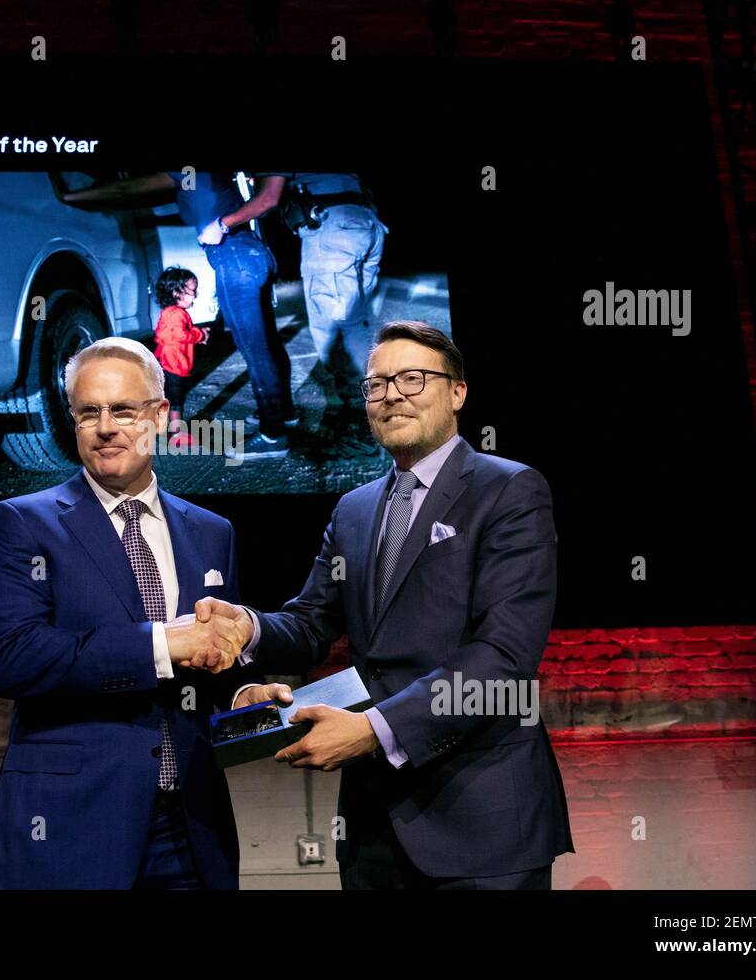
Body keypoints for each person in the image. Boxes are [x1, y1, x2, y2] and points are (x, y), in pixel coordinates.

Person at [198, 321, 575, 889]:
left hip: (485, 824)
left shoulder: (510, 490)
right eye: (377, 384)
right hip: (372, 825)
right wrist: (247, 628)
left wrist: (373, 729)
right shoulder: (354, 508)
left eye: (413, 378)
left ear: (458, 392)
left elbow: (504, 660)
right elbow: (310, 622)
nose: (392, 394)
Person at [0, 336, 265, 889]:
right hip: (69, 825)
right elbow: (9, 659)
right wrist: (161, 643)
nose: (106, 427)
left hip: (189, 827)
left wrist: (241, 696)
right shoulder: (22, 523)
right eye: (90, 412)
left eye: (124, 410)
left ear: (158, 416)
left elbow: (212, 662)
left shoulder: (211, 532)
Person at [64, 173, 295, 459]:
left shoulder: (189, 171)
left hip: (233, 255)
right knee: (266, 342)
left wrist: (66, 195)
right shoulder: (208, 179)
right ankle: (283, 413)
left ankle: (273, 434)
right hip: (248, 251)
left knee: (255, 349)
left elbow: (125, 187)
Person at [206, 172, 387, 424]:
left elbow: (267, 200)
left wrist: (223, 224)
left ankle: (362, 419)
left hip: (331, 230)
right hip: (364, 223)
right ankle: (371, 405)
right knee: (354, 325)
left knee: (334, 332)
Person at [153, 266, 208, 449]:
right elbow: (181, 335)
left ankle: (169, 430)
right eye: (192, 291)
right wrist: (199, 335)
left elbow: (168, 334)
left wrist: (196, 333)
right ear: (177, 292)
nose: (196, 295)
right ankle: (176, 435)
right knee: (177, 400)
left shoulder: (168, 312)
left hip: (166, 361)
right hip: (175, 364)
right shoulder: (178, 314)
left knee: (170, 397)